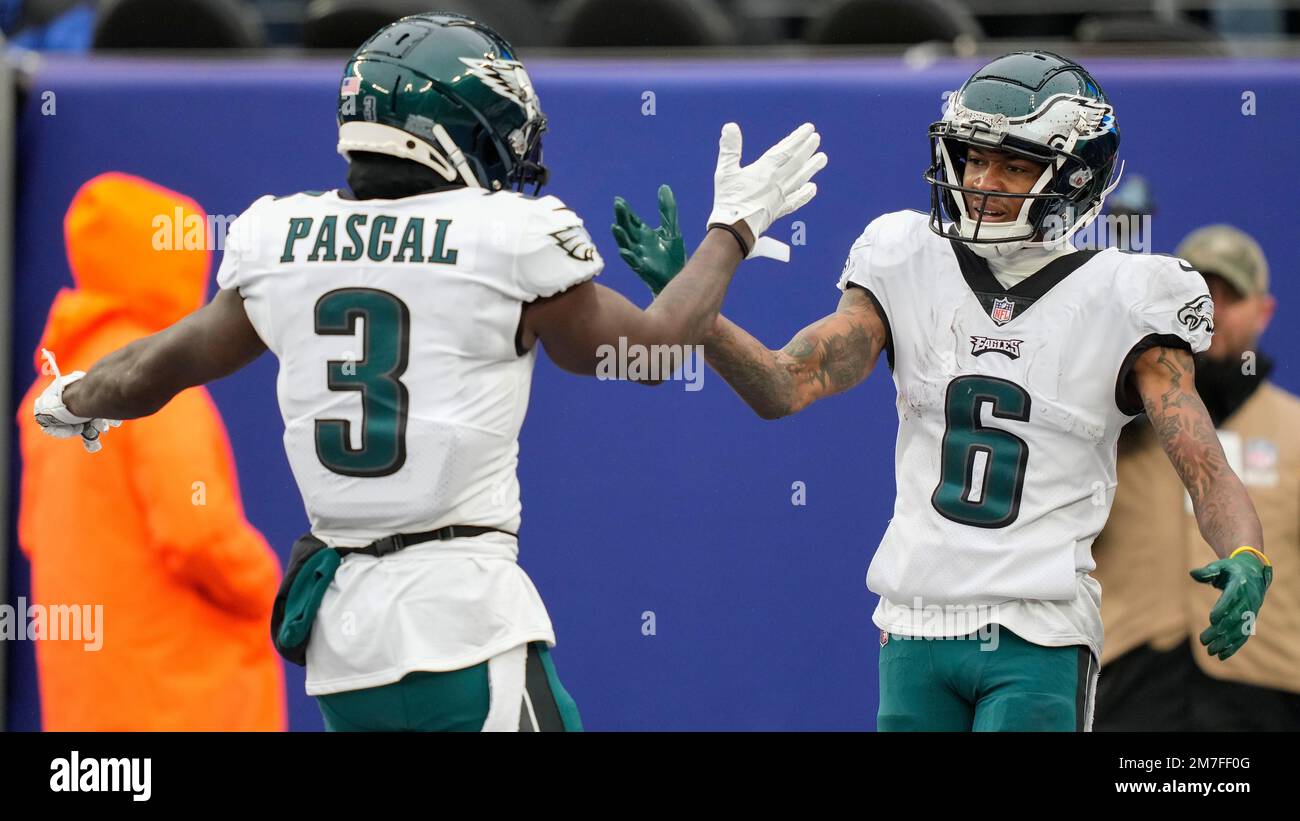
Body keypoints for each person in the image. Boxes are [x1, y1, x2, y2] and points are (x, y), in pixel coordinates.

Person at [29, 13, 826, 731]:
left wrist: (70, 397)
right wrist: (734, 228)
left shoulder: (280, 238)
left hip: (343, 650)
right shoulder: (505, 236)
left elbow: (151, 368)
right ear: (448, 127)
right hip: (462, 624)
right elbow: (654, 353)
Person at [611, 51, 1271, 731]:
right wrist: (701, 317)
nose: (983, 180)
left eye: (1014, 163)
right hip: (915, 623)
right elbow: (786, 383)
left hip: (1037, 629)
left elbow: (1205, 467)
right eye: (973, 156)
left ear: (1076, 176)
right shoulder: (906, 256)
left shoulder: (1130, 293)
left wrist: (1244, 553)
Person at [17, 171, 285, 731]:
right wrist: (268, 586)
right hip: (182, 703)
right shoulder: (153, 383)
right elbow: (198, 533)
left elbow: (32, 535)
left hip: (88, 710)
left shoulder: (58, 388)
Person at [1093, 224, 1299, 731]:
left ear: (1264, 311)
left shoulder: (1295, 430)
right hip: (1129, 694)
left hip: (1271, 698)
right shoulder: (1110, 425)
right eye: (1202, 295)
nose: (1215, 312)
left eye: (1231, 297)